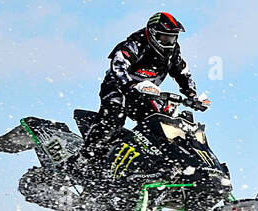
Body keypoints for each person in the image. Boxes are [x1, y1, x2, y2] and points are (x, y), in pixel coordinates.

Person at [74, 12, 209, 172]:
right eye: (165, 38)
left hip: (147, 93)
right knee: (113, 117)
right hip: (118, 87)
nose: (169, 42)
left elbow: (183, 73)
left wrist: (192, 95)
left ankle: (163, 167)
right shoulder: (136, 43)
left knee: (163, 124)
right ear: (152, 34)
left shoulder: (173, 52)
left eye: (172, 38)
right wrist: (129, 85)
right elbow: (118, 65)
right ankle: (83, 160)